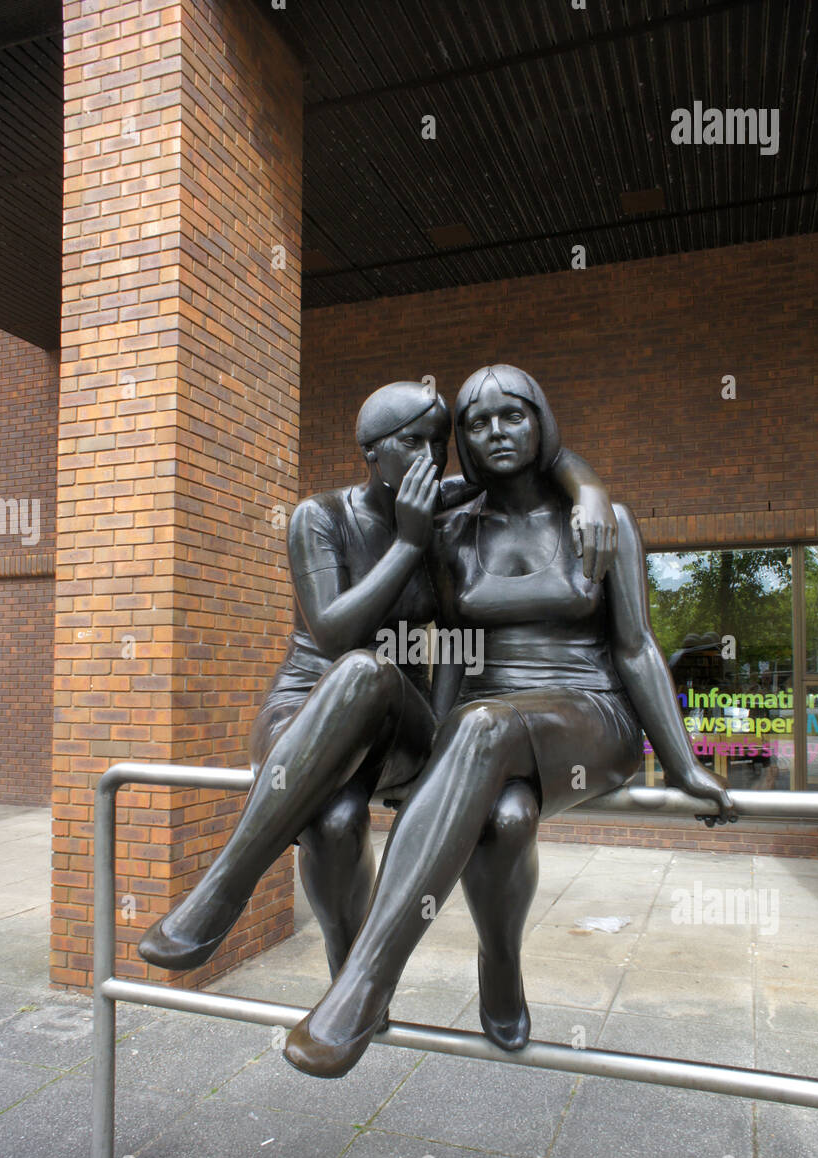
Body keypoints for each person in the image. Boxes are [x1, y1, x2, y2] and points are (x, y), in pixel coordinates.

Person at [283, 365, 735, 1079]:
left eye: (513, 416)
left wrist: (680, 762)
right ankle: (500, 964)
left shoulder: (601, 519)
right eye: (476, 422)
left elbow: (635, 646)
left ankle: (364, 986)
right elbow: (454, 655)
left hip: (587, 714)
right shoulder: (451, 526)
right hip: (486, 729)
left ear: (542, 423)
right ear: (458, 439)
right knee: (505, 817)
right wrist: (430, 750)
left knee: (483, 728)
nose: (496, 432)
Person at [138, 379, 617, 977]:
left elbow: (531, 459)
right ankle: (343, 967)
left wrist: (589, 490)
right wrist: (405, 545)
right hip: (306, 710)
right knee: (336, 821)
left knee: (373, 672)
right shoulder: (320, 516)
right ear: (372, 449)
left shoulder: (438, 510)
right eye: (412, 441)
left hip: (398, 724)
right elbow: (334, 635)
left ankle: (223, 891)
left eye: (438, 444)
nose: (430, 458)